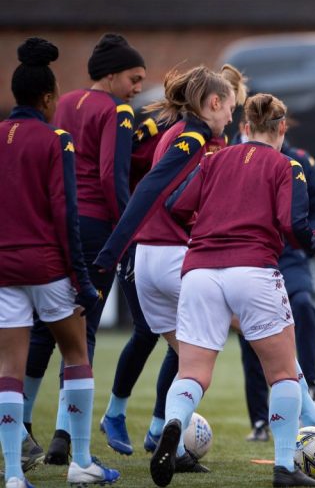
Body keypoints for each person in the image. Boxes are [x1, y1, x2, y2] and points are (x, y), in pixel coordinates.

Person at [151, 93, 315, 488]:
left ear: (244, 126)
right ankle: (285, 468)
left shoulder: (213, 160)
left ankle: (175, 423)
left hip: (198, 271)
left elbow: (176, 205)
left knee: (192, 372)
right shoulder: (288, 165)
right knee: (283, 374)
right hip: (253, 269)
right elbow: (293, 225)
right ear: (282, 128)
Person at [94, 64, 244, 474]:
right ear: (213, 102)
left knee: (183, 354)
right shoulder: (192, 136)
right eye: (230, 107)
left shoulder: (188, 133)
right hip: (173, 257)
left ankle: (163, 434)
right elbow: (154, 191)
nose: (232, 116)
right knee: (254, 325)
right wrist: (110, 252)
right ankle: (314, 417)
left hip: (149, 260)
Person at [20, 33, 146, 465]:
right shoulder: (116, 110)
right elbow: (113, 175)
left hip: (55, 223)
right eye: (133, 77)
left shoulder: (62, 101)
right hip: (96, 228)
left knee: (42, 328)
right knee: (82, 331)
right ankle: (63, 436)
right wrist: (125, 231)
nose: (136, 86)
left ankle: (22, 425)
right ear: (111, 76)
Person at [0, 37, 120, 488]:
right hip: (47, 267)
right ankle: (82, 462)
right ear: (48, 98)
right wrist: (82, 278)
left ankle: (13, 474)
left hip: (3, 269)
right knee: (75, 354)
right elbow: (64, 213)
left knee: (8, 370)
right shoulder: (56, 140)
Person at [238, 134, 315, 443]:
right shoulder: (234, 157)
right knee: (250, 335)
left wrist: (312, 235)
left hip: (290, 255)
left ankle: (311, 379)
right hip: (251, 255)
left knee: (303, 303)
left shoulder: (299, 160)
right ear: (246, 125)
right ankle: (259, 420)